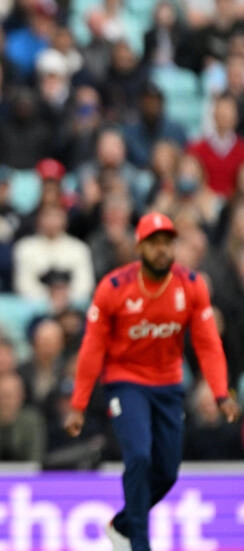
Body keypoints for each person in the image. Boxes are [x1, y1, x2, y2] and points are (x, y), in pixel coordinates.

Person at [64, 212, 240, 551]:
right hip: (125, 382)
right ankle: (138, 544)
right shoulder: (114, 288)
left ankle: (122, 524)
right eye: (154, 243)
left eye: (167, 243)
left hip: (169, 385)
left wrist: (221, 393)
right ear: (139, 247)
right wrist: (78, 404)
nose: (162, 250)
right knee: (140, 456)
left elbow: (208, 343)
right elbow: (92, 347)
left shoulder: (190, 285)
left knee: (168, 471)